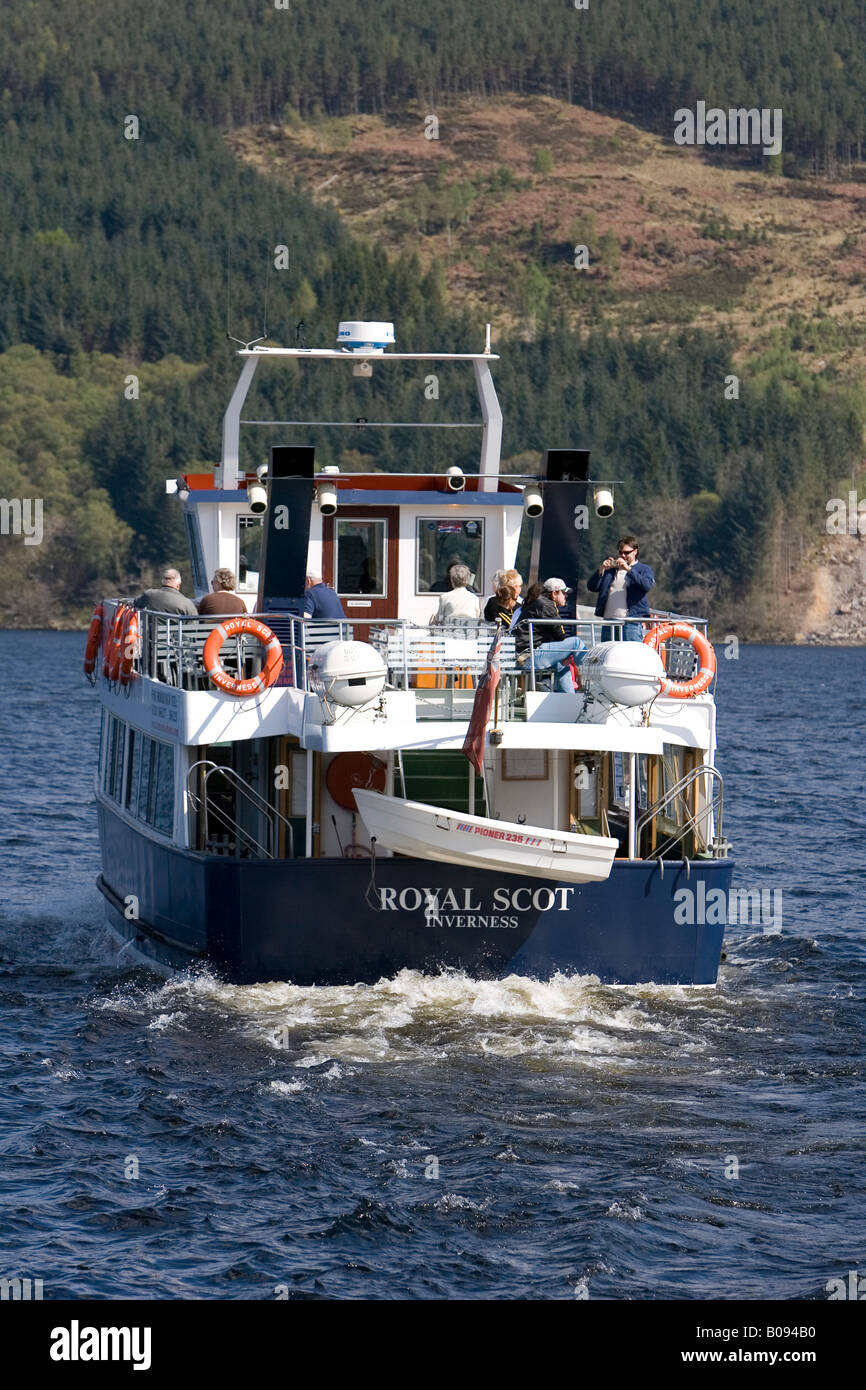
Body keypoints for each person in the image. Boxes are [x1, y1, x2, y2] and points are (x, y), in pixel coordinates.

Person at [515, 577, 586, 693]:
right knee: (576, 643)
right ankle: (593, 674)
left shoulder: (538, 602)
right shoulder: (547, 605)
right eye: (564, 593)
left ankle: (570, 700)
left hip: (525, 656)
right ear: (554, 594)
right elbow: (561, 635)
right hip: (530, 656)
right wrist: (567, 652)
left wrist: (564, 655)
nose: (566, 596)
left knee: (562, 665)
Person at [587, 535, 655, 641]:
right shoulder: (611, 570)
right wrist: (601, 569)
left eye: (626, 553)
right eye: (620, 552)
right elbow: (591, 587)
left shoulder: (644, 569)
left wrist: (628, 569)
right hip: (609, 621)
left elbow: (646, 585)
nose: (623, 555)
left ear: (635, 551)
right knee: (608, 655)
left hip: (630, 622)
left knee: (630, 653)